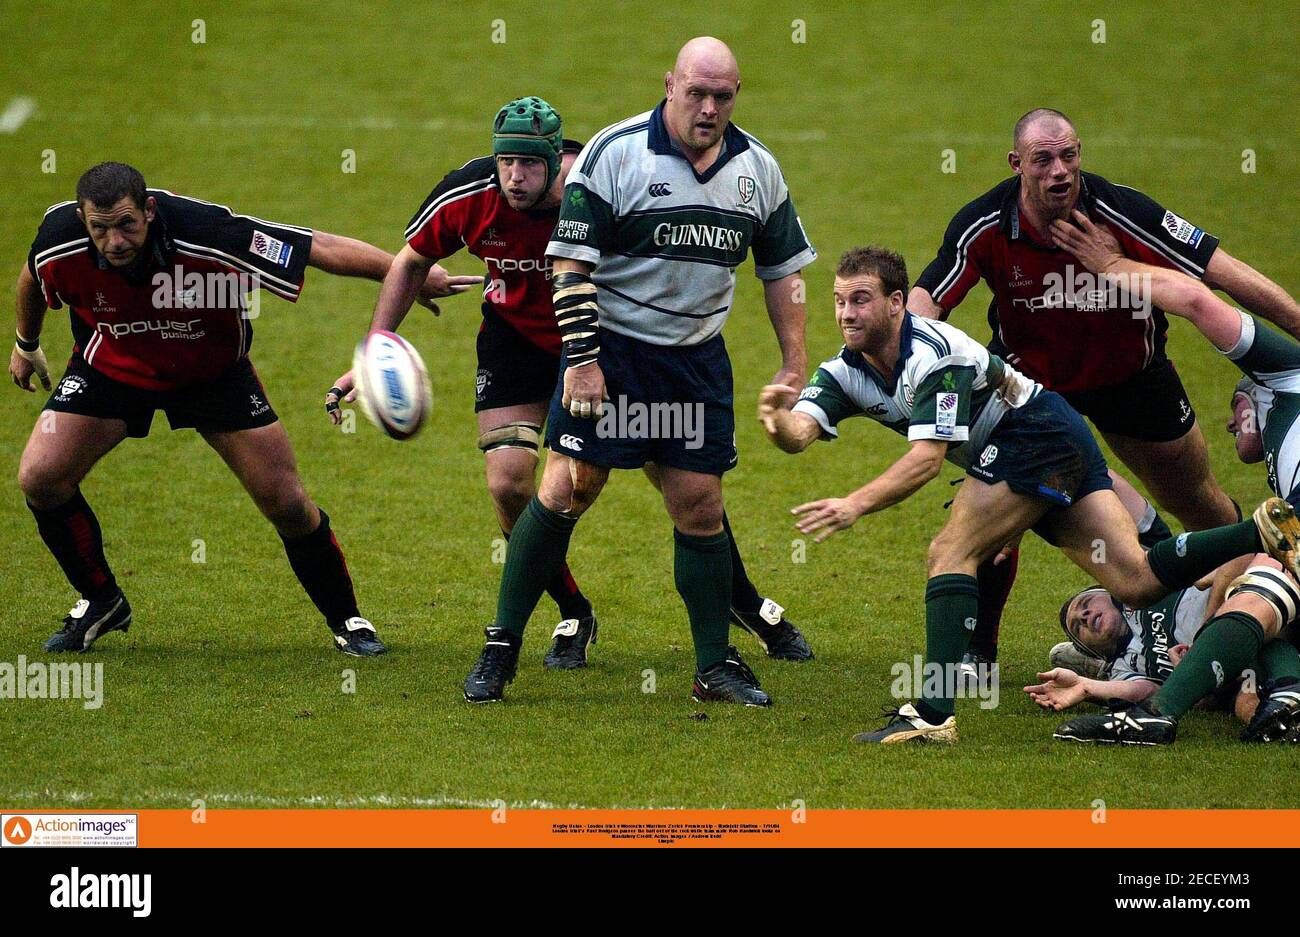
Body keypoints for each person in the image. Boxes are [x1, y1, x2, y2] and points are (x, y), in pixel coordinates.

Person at [326, 96, 810, 669]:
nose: (515, 176)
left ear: (557, 160)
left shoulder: (596, 181)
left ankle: (744, 603)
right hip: (515, 342)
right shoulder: (468, 195)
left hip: (602, 345)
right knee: (511, 483)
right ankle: (572, 610)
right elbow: (409, 260)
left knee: (682, 482)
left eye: (530, 164)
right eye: (506, 161)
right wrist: (377, 349)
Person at [757, 244, 1300, 743]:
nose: (847, 314)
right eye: (838, 301)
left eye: (861, 300)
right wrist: (779, 421)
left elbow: (926, 460)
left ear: (897, 303)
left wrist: (854, 504)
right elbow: (801, 433)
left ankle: (931, 713)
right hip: (1054, 432)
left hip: (1031, 432)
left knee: (951, 551)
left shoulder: (933, 355)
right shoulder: (844, 370)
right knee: (1135, 582)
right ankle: (1260, 532)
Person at [460, 38, 817, 704]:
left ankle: (714, 666)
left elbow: (783, 271)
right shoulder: (615, 153)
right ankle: (501, 645)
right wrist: (585, 359)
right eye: (696, 93)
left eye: (723, 95)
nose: (709, 108)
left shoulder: (758, 170)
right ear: (670, 85)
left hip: (695, 361)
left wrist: (795, 362)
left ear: (737, 94)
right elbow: (569, 266)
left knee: (699, 503)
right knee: (565, 486)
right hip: (614, 350)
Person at [12, 161, 467, 656]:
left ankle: (348, 620)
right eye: (99, 229)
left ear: (149, 210)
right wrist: (26, 341)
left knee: (287, 503)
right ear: (83, 221)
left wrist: (409, 271)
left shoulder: (206, 232)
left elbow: (317, 247)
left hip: (213, 375)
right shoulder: (60, 236)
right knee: (41, 476)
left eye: (126, 225)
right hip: (112, 367)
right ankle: (100, 600)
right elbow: (33, 275)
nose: (114, 241)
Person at [1030, 562, 1300, 743]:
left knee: (1258, 573)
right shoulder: (1125, 665)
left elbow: (1238, 557)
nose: (1085, 616)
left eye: (1086, 604)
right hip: (1242, 669)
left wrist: (1208, 631)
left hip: (1260, 603)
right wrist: (1087, 687)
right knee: (1247, 704)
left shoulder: (1149, 587)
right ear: (1092, 649)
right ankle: (1287, 713)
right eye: (1079, 626)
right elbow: (1143, 692)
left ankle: (1289, 688)